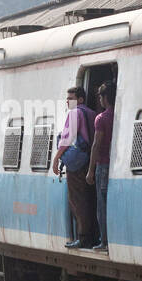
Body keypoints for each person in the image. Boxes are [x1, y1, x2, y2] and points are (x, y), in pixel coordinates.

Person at [52, 85, 97, 248]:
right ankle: (92, 235)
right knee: (89, 199)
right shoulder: (92, 113)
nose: (68, 101)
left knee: (77, 200)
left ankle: (83, 237)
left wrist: (56, 158)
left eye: (71, 99)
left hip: (77, 164)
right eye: (67, 99)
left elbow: (67, 138)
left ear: (80, 99)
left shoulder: (74, 113)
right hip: (90, 162)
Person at [86, 81, 114, 251]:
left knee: (102, 205)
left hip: (103, 166)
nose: (99, 99)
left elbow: (96, 144)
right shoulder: (118, 116)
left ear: (105, 98)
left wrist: (90, 170)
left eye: (100, 96)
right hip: (115, 165)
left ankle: (104, 241)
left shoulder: (101, 118)